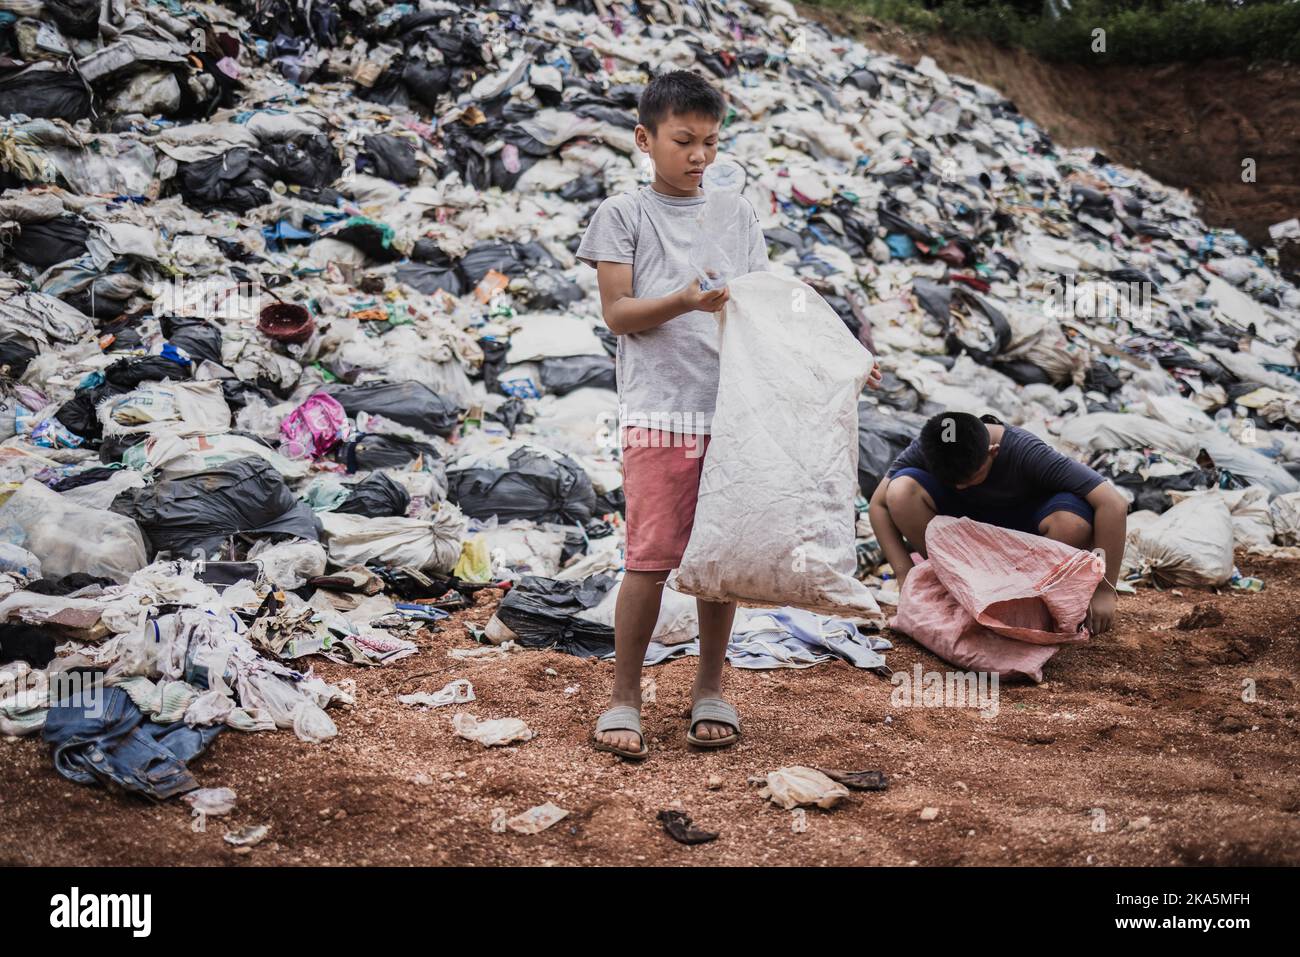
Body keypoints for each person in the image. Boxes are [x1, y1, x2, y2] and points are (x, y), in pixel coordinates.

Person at [572, 70, 765, 760]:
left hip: (729, 409)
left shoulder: (737, 214)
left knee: (718, 561)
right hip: (661, 412)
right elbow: (619, 314)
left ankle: (710, 689)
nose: (699, 156)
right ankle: (625, 696)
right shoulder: (624, 215)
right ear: (644, 140)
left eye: (711, 142)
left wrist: (834, 358)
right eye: (684, 141)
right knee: (650, 559)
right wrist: (684, 299)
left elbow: (761, 302)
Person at [868, 411, 1127, 634]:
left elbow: (1112, 504)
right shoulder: (932, 446)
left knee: (1073, 523)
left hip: (1025, 530)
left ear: (993, 452)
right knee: (900, 490)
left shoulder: (1026, 451)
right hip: (967, 530)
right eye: (953, 482)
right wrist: (904, 574)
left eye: (971, 479)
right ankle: (952, 580)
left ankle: (1028, 599)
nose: (961, 486)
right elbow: (878, 504)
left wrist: (1104, 591)